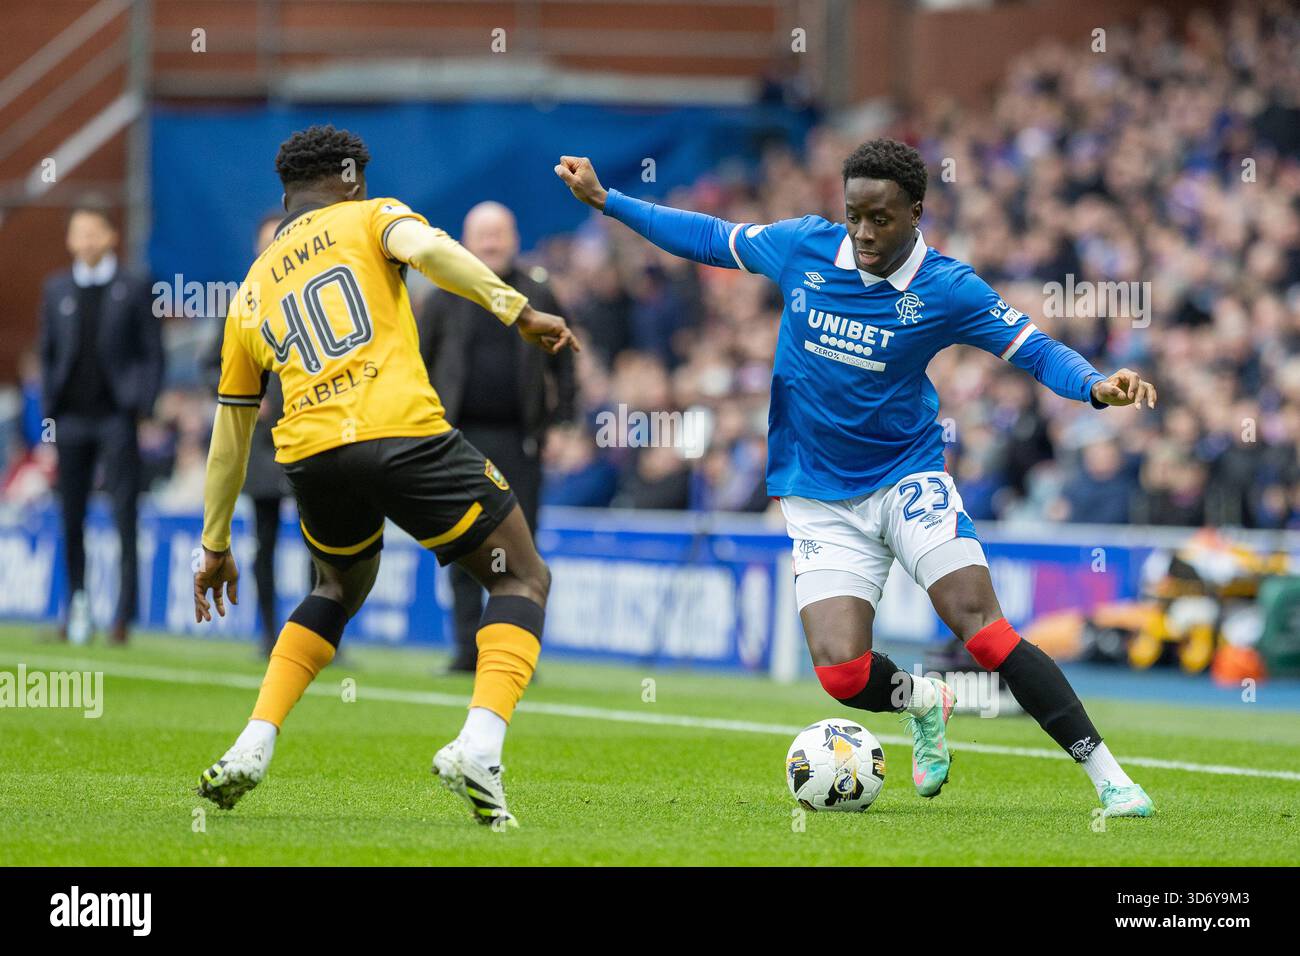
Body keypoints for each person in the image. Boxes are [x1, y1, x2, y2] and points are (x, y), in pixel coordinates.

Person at [556, 139, 1159, 818]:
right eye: (855, 216)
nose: (866, 233)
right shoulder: (803, 248)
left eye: (882, 219)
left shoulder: (946, 287)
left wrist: (1095, 387)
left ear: (916, 212)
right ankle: (924, 700)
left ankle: (1112, 779)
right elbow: (707, 235)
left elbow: (1032, 346)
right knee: (843, 673)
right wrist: (609, 202)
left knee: (982, 629)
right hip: (817, 495)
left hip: (906, 477)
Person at [192, 125, 579, 828]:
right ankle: (479, 747)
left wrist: (213, 545)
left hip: (310, 456)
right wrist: (515, 308)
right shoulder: (372, 215)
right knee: (520, 576)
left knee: (336, 586)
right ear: (348, 178)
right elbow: (431, 250)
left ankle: (254, 741)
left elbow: (231, 430)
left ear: (286, 194)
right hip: (400, 433)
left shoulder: (250, 287)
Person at [417, 202, 575, 672]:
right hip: (457, 441)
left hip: (521, 442)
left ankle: (514, 655)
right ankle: (468, 650)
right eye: (482, 235)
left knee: (523, 552)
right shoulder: (443, 297)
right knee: (463, 544)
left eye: (499, 233)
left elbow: (566, 362)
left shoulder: (540, 292)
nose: (491, 243)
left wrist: (563, 423)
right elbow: (418, 365)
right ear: (465, 241)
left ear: (515, 237)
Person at [38, 203, 163, 645]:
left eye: (94, 232)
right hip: (71, 419)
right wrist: (48, 413)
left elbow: (151, 351)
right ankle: (75, 607)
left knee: (124, 512)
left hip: (116, 417)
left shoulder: (133, 286)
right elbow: (49, 351)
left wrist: (143, 405)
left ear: (111, 236)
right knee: (70, 517)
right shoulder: (56, 289)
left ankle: (123, 617)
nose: (87, 241)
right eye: (79, 233)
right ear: (71, 240)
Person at [201, 212, 295, 656]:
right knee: (266, 542)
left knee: (325, 542)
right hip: (261, 449)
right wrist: (245, 399)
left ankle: (321, 636)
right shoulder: (243, 303)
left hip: (310, 438)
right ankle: (269, 632)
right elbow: (209, 365)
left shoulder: (312, 296)